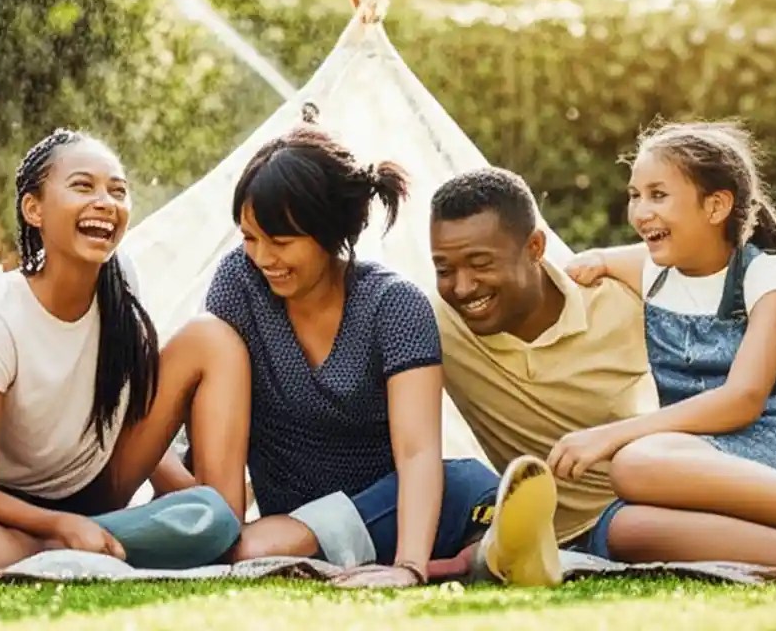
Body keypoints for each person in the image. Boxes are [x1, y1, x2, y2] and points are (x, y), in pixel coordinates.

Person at [424, 163, 776, 576]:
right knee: (631, 530)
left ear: (536, 248)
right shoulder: (435, 322)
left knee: (635, 474)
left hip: (710, 478)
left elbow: (732, 321)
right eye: (445, 270)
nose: (462, 286)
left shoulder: (625, 300)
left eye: (481, 264)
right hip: (614, 525)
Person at [199, 124, 562, 589]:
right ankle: (479, 562)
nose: (263, 256)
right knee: (252, 546)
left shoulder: (393, 305)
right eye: (250, 237)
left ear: (329, 232)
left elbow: (417, 451)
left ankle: (480, 551)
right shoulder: (240, 283)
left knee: (262, 547)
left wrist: (407, 568)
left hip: (408, 505)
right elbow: (216, 401)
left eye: (281, 241)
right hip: (307, 520)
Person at [0, 128, 248, 577]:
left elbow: (124, 413)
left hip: (101, 488)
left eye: (118, 190)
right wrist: (62, 525)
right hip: (7, 512)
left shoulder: (120, 284)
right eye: (83, 186)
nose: (106, 202)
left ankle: (99, 544)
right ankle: (70, 544)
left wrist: (192, 501)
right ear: (34, 209)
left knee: (211, 338)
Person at [555, 120, 776, 553]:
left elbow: (743, 399)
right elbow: (591, 261)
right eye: (634, 195)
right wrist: (591, 262)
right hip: (701, 457)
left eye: (658, 195)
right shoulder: (651, 270)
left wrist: (611, 434)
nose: (640, 212)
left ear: (715, 207)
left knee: (635, 463)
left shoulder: (767, 275)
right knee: (627, 529)